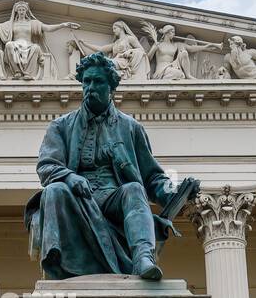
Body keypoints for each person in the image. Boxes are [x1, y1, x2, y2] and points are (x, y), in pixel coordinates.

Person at [24, 52, 195, 280]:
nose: (90, 87)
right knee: (54, 190)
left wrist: (174, 193)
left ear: (111, 88)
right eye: (87, 82)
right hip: (78, 201)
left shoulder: (130, 127)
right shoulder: (61, 127)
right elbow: (46, 166)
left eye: (98, 82)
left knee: (134, 188)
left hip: (115, 199)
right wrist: (70, 178)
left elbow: (152, 178)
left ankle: (143, 258)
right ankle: (59, 264)